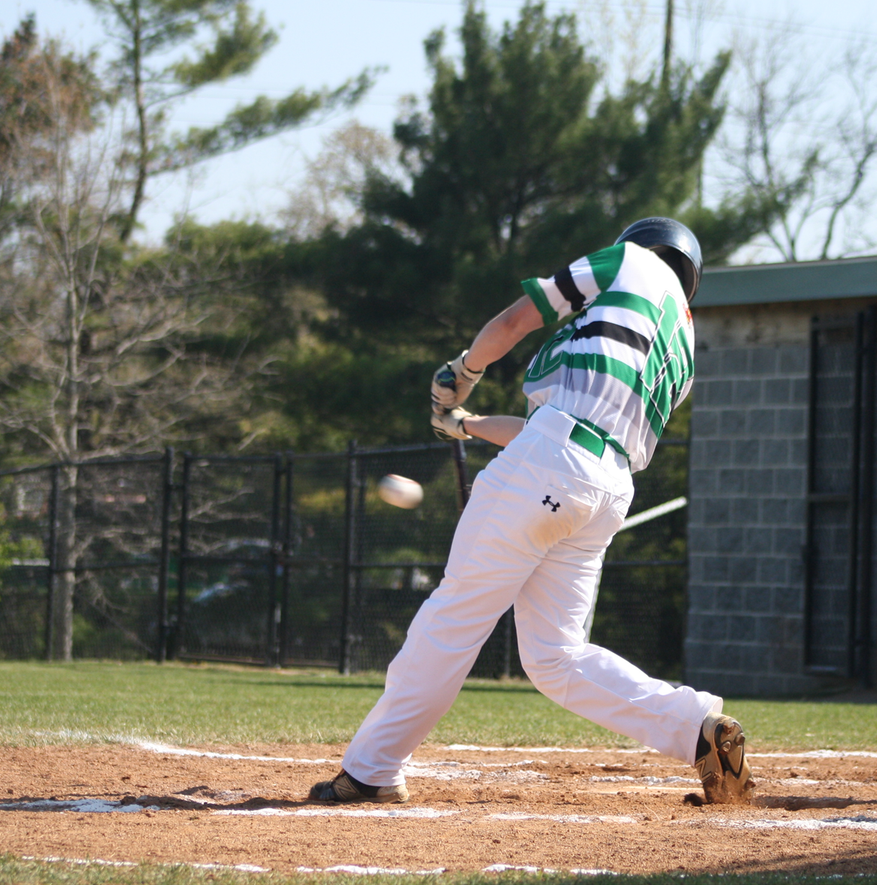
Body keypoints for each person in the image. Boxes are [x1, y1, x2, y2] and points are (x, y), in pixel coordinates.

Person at [308, 217, 754, 807]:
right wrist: (463, 425)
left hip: (554, 464)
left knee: (455, 614)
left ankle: (372, 770)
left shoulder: (628, 263)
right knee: (555, 656)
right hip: (605, 487)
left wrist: (462, 373)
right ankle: (694, 725)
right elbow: (545, 427)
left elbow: (516, 319)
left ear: (642, 245)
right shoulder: (681, 343)